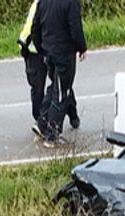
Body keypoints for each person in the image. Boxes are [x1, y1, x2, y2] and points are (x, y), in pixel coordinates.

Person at [31, 0, 87, 147]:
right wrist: (82, 47)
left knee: (55, 86)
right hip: (64, 53)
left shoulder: (44, 2)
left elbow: (35, 27)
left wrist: (41, 49)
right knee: (62, 92)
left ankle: (42, 122)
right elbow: (75, 28)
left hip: (48, 51)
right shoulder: (71, 2)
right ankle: (52, 134)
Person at [19, 0, 48, 138]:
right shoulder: (41, 4)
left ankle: (72, 113)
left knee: (57, 84)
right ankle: (39, 119)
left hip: (40, 47)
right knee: (38, 87)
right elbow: (34, 30)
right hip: (33, 48)